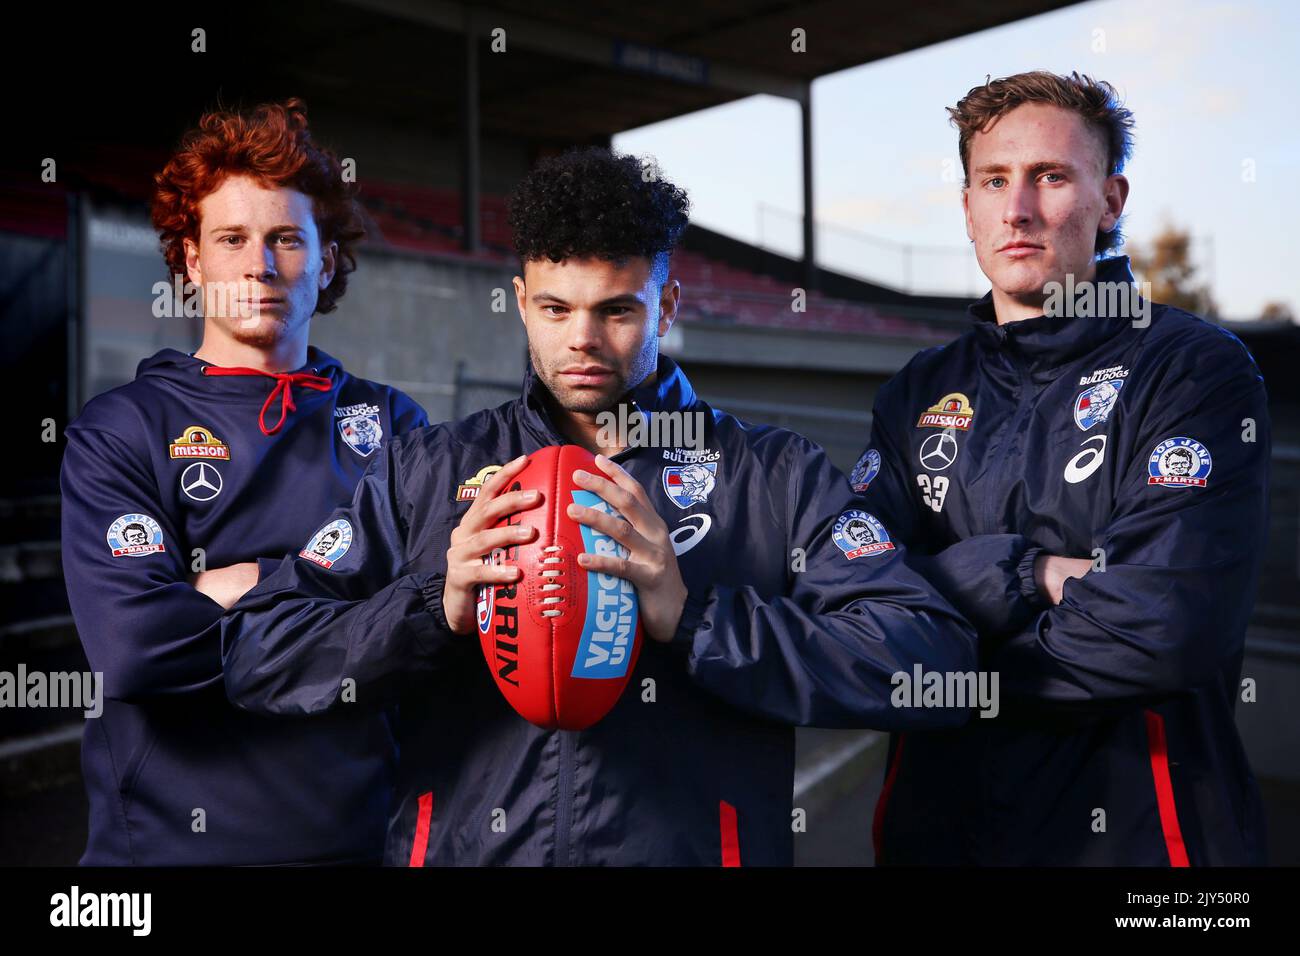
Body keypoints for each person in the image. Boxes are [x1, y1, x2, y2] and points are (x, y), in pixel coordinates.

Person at [222, 147, 979, 866]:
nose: (582, 340)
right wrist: (431, 610)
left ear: (668, 303)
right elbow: (260, 652)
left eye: (617, 311)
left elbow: (930, 657)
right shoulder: (428, 469)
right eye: (555, 308)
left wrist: (699, 619)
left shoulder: (771, 475)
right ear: (520, 302)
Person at [856, 71, 1269, 865]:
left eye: (1050, 177)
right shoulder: (916, 393)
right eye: (993, 181)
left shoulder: (1192, 371)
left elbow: (1165, 627)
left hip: (1147, 849)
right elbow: (853, 599)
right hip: (935, 840)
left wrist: (943, 647)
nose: (1017, 209)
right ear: (968, 205)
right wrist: (1030, 574)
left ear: (1110, 201)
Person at [60, 99, 428, 865]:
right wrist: (338, 596)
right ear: (192, 261)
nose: (260, 265)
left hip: (360, 845)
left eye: (286, 239)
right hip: (165, 854)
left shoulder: (393, 426)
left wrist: (233, 583)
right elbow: (133, 650)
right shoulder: (123, 428)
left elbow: (426, 631)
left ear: (325, 260)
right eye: (231, 239)